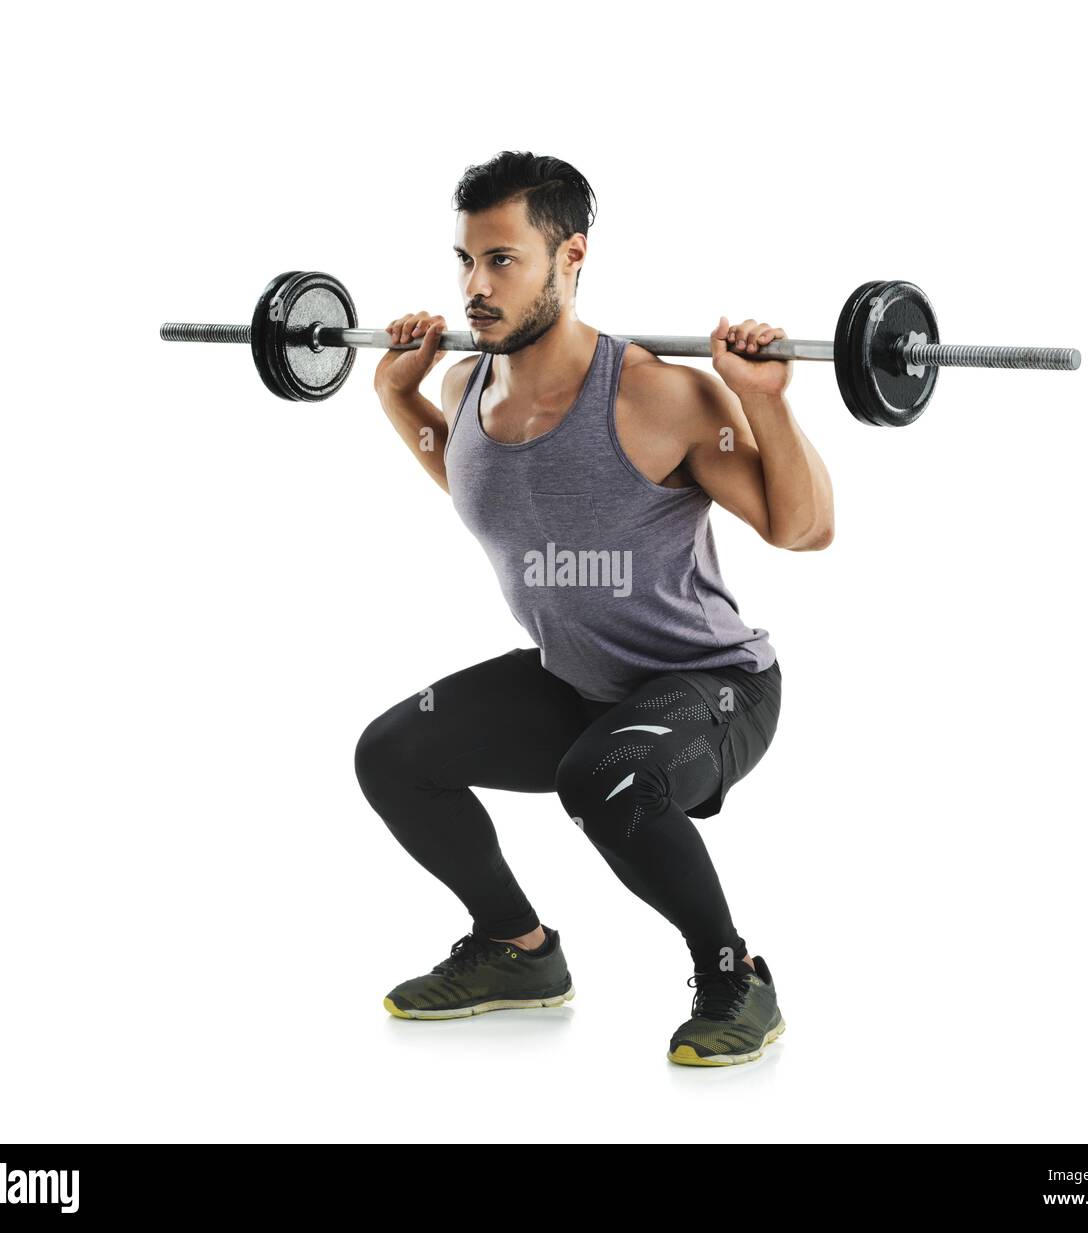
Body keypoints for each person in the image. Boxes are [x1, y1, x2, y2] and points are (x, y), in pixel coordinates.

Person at [355, 151, 833, 1066]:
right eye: (465, 259)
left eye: (503, 260)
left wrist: (764, 403)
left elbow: (803, 529)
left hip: (712, 685)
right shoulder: (466, 387)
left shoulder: (658, 394)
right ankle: (516, 951)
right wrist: (396, 393)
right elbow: (473, 484)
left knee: (603, 778)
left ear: (570, 258)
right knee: (392, 753)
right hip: (579, 683)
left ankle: (736, 976)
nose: (474, 288)